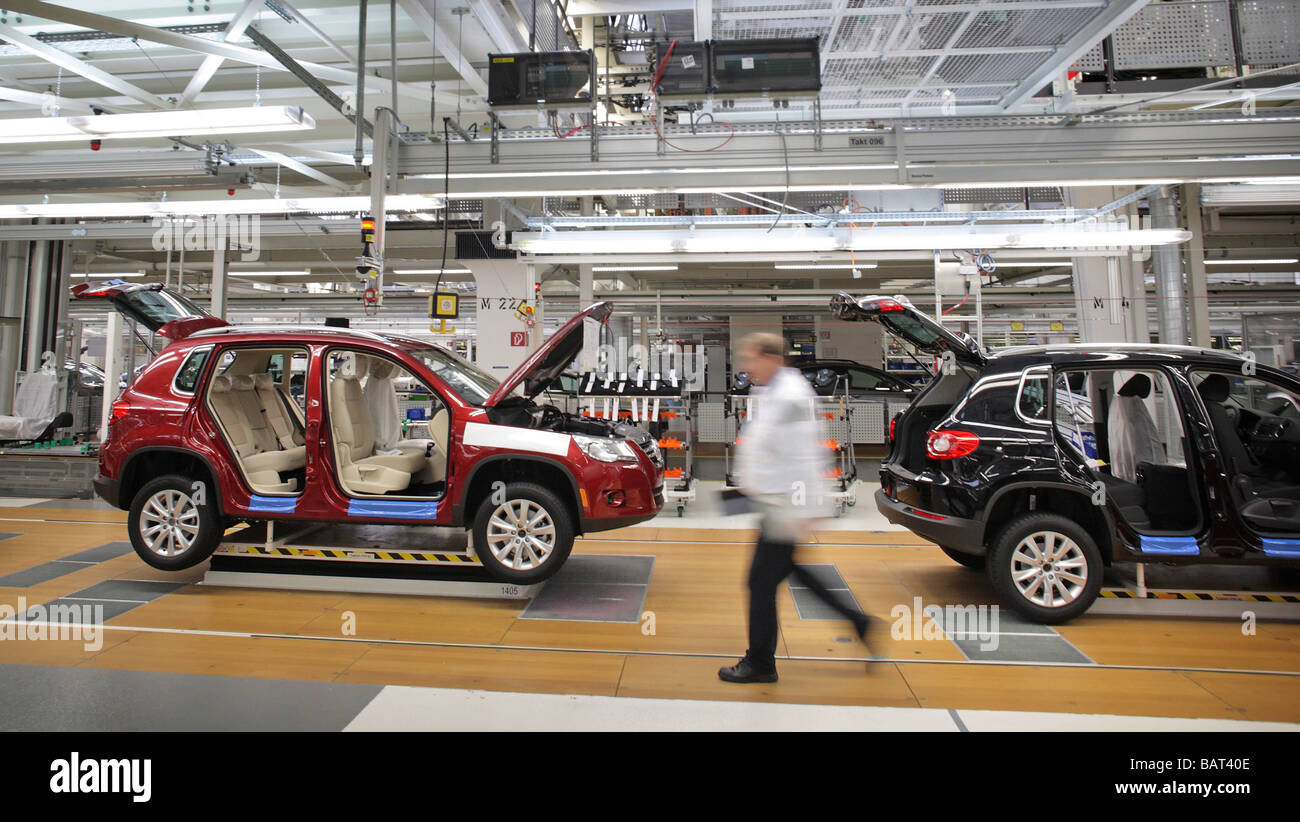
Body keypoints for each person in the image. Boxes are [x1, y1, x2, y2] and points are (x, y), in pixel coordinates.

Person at [718, 333, 877, 684]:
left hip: (787, 502)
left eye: (751, 359)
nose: (746, 368)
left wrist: (806, 508)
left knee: (760, 582)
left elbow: (804, 454)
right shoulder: (772, 390)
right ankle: (859, 621)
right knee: (788, 571)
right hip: (774, 499)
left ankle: (760, 662)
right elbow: (764, 444)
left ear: (771, 358)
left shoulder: (790, 395)